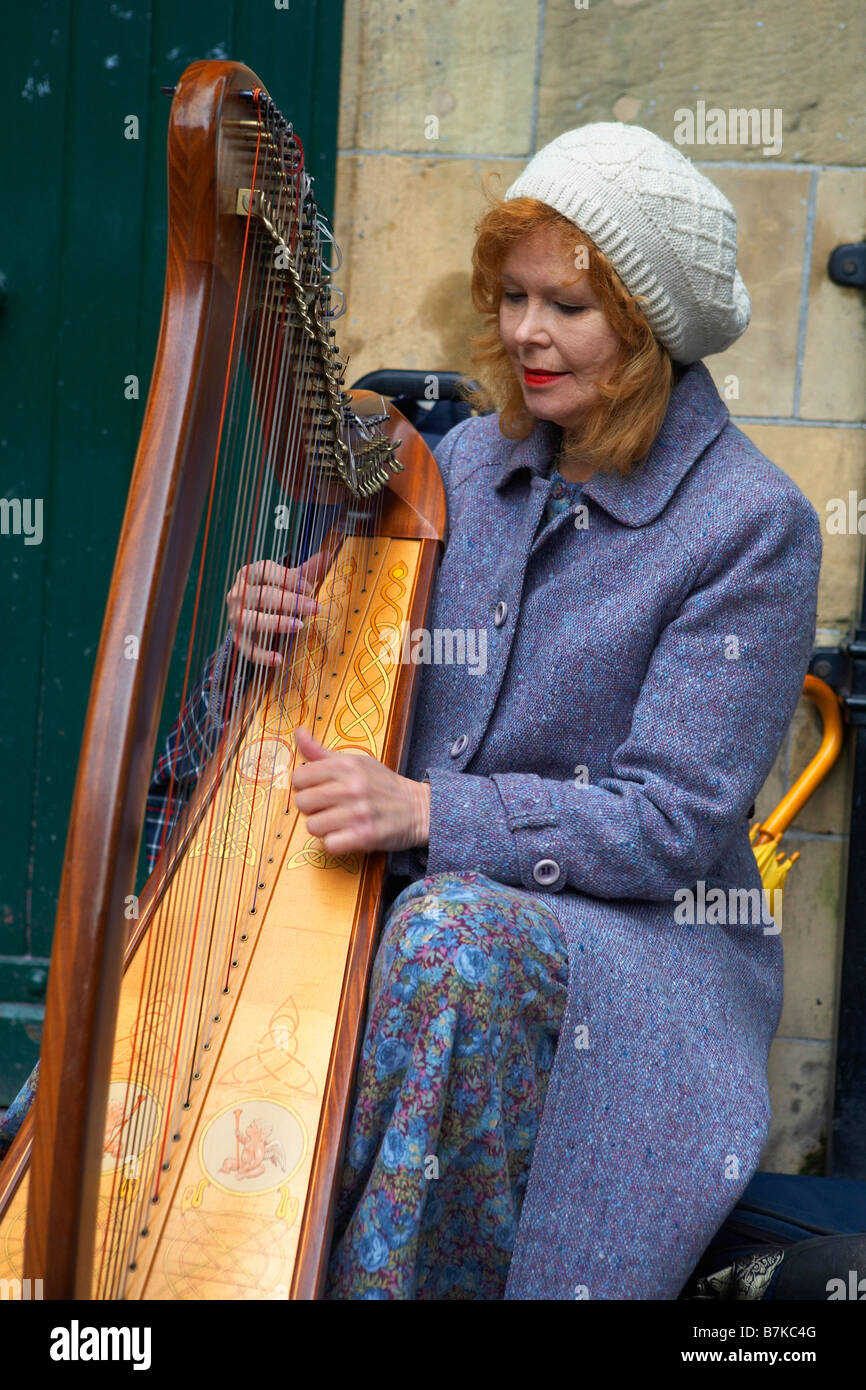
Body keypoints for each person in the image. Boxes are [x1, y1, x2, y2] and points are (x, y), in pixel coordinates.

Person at [2, 123, 822, 1306]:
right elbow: (225, 771)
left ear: (649, 330)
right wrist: (258, 650)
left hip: (635, 948)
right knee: (225, 920)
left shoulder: (750, 524)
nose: (526, 334)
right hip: (419, 885)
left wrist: (433, 811)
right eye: (512, 297)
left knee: (446, 936)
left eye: (569, 309)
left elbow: (674, 823)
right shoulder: (439, 475)